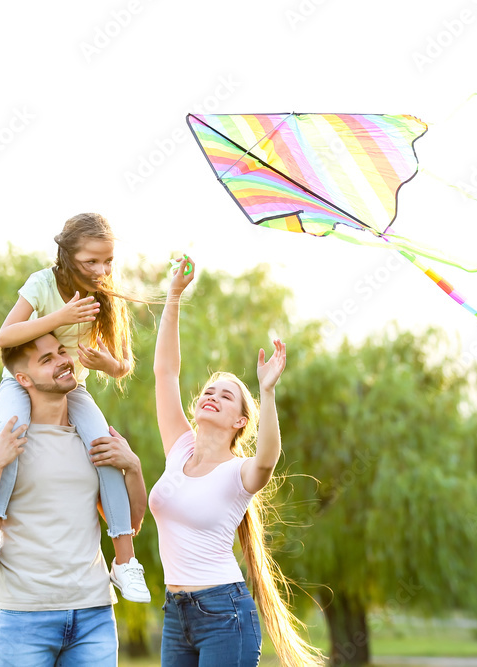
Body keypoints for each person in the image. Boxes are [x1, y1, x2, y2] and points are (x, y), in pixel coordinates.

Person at [0, 212, 150, 604]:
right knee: (9, 433)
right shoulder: (42, 283)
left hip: (72, 384)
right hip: (20, 380)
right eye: (91, 262)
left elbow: (124, 364)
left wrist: (106, 365)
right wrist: (59, 317)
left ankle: (125, 562)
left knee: (103, 445)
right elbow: (6, 337)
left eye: (108, 261)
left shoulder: (106, 294)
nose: (102, 271)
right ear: (67, 256)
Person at [149, 256, 324, 667]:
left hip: (224, 613)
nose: (213, 395)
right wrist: (173, 295)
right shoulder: (179, 449)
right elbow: (165, 373)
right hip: (176, 612)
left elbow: (267, 458)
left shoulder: (236, 474)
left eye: (226, 396)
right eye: (210, 390)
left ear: (240, 421)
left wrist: (267, 391)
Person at [0, 333, 147, 666]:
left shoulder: (94, 438)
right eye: (47, 359)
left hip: (94, 616)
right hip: (23, 617)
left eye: (60, 352)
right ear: (22, 379)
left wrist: (134, 468)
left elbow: (132, 522)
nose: (62, 361)